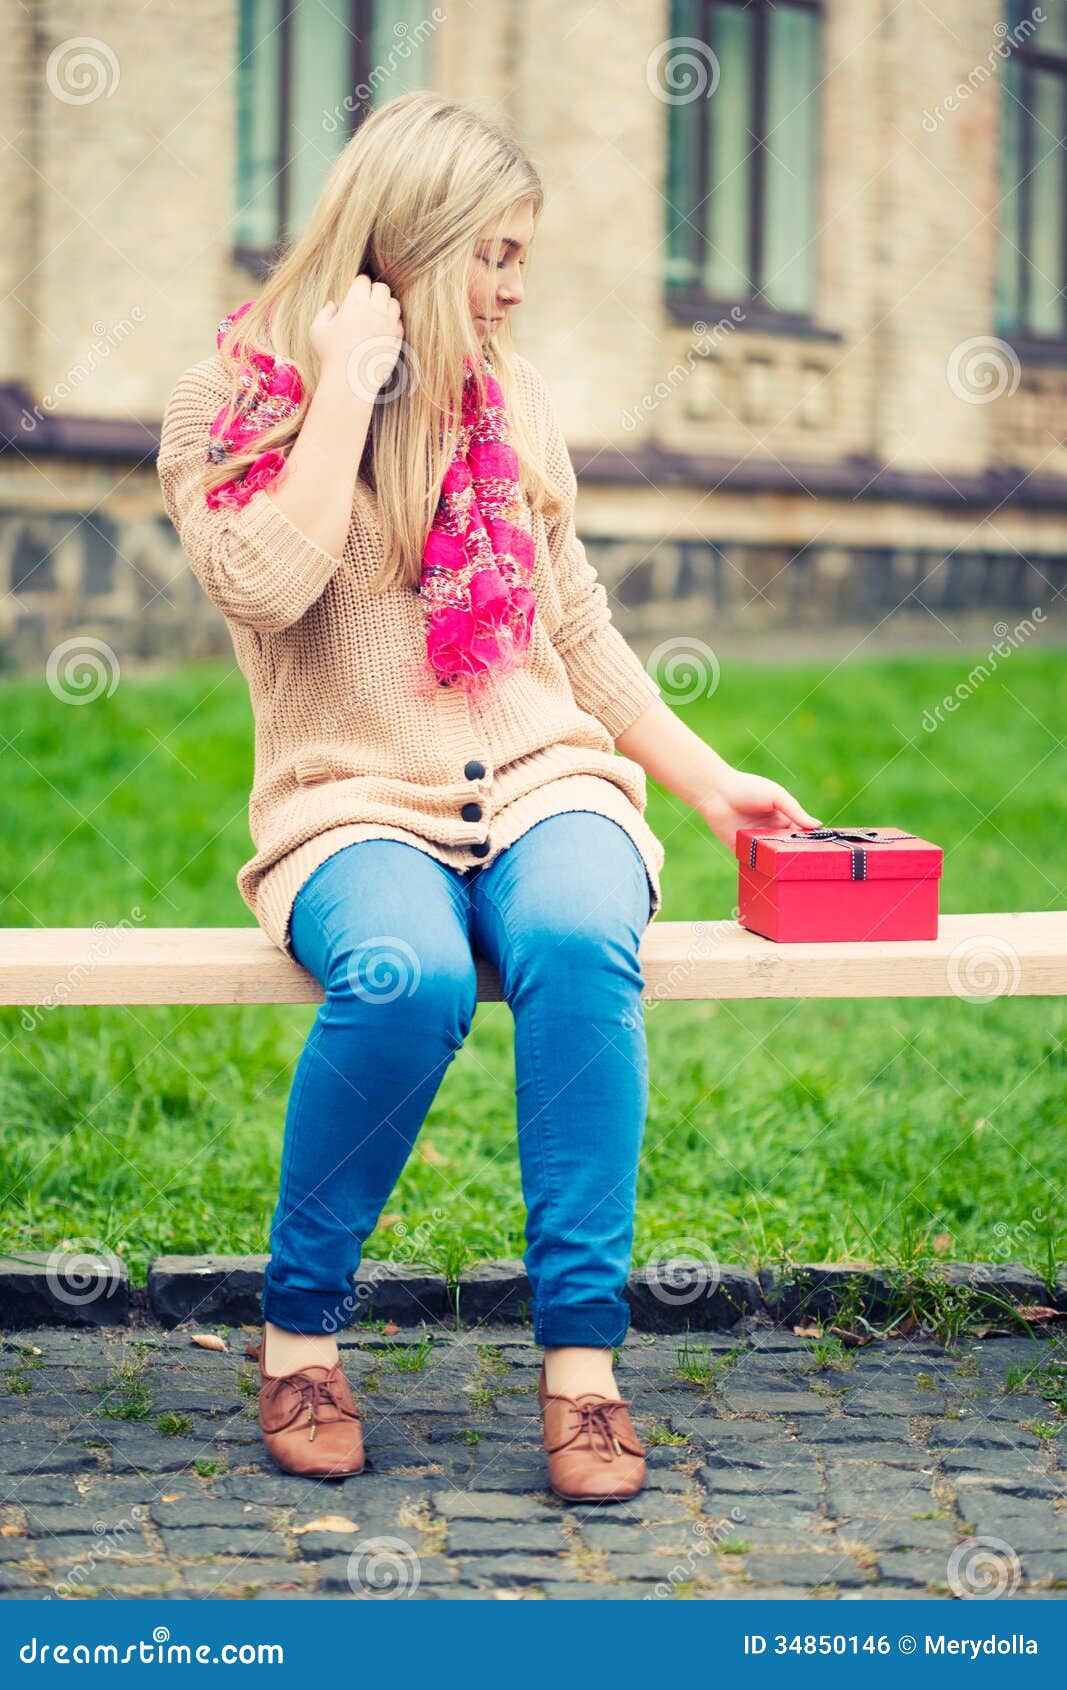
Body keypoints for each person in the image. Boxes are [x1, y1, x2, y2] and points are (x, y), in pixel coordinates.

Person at [157, 91, 820, 1501]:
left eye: (527, 255)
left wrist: (707, 789)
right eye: (494, 255)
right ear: (403, 246)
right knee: (403, 977)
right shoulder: (234, 399)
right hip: (349, 800)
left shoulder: (504, 397)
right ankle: (299, 1336)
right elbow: (266, 586)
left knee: (583, 941)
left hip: (540, 775)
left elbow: (572, 627)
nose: (517, 288)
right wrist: (348, 384)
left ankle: (584, 1367)